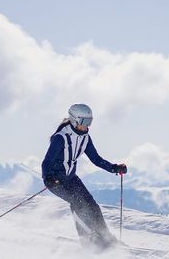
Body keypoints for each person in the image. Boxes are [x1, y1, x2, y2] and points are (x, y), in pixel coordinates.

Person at [42, 103, 128, 250]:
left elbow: (96, 159)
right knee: (78, 203)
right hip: (55, 181)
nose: (87, 126)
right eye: (84, 122)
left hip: (70, 178)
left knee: (92, 204)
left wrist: (114, 168)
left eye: (89, 122)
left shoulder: (85, 138)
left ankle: (105, 236)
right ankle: (87, 239)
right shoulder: (60, 138)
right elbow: (47, 162)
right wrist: (49, 178)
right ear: (75, 120)